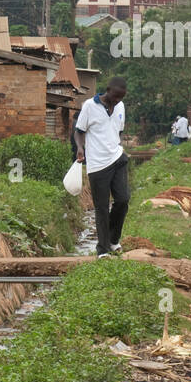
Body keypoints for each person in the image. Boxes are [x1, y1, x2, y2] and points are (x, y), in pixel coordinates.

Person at [74, 76, 129, 257]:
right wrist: (81, 148)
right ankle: (103, 249)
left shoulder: (120, 106)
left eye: (121, 98)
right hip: (98, 166)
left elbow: (117, 130)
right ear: (108, 90)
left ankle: (113, 240)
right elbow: (79, 131)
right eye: (115, 96)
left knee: (122, 200)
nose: (117, 101)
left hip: (117, 158)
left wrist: (114, 146)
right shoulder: (90, 106)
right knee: (102, 207)